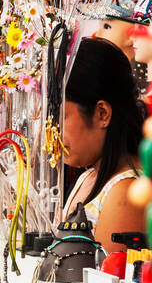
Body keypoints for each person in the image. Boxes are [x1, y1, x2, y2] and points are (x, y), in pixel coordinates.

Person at [61, 36, 146, 253]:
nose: (53, 131)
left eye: (62, 117)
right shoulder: (89, 177)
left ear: (102, 114)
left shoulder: (126, 193)